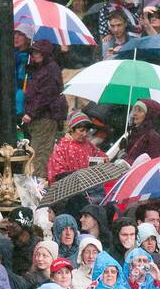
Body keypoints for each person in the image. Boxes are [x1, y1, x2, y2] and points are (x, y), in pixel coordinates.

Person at [22, 41, 69, 178]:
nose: (35, 55)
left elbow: (45, 95)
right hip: (40, 119)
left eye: (38, 52)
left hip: (45, 119)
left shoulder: (50, 69)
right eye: (33, 52)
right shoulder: (41, 68)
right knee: (37, 155)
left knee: (39, 156)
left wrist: (31, 113)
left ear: (45, 53)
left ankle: (39, 188)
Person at [47, 113, 106, 183]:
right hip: (70, 188)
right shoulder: (61, 148)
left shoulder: (88, 144)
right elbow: (58, 173)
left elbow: (99, 155)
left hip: (90, 185)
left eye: (87, 131)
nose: (85, 134)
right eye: (81, 130)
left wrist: (103, 159)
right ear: (72, 129)